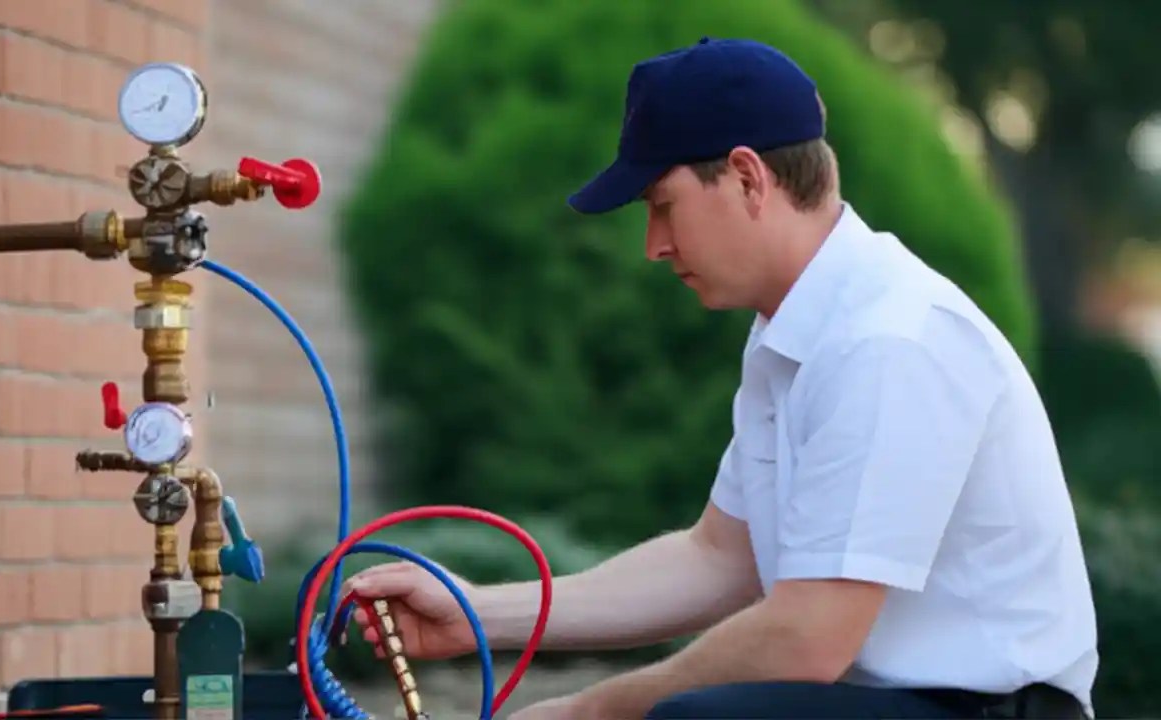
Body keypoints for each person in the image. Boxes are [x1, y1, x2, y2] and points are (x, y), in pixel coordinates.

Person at [344, 37, 1099, 719]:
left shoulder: (889, 339)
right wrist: (477, 614)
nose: (653, 245)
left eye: (662, 206)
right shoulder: (795, 333)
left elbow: (807, 639)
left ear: (746, 178)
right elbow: (717, 557)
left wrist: (591, 712)